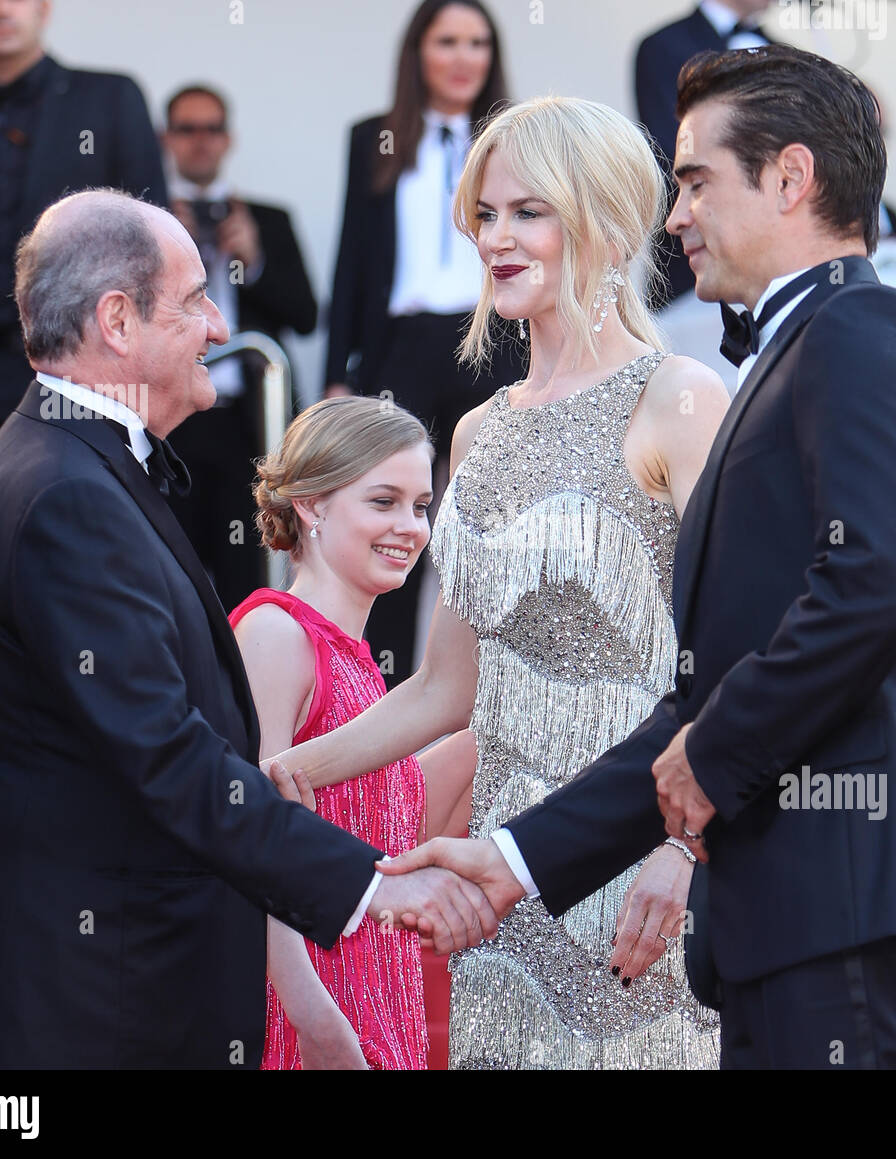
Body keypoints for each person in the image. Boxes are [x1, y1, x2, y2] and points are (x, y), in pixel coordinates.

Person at [378, 46, 896, 1070]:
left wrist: (700, 772)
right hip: (774, 916)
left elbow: (872, 589)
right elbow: (708, 694)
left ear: (790, 179)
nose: (674, 216)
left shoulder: (867, 330)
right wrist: (512, 859)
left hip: (846, 893)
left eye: (694, 180)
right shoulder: (785, 360)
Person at [0, 189, 496, 1069]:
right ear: (118, 320)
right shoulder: (66, 492)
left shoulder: (73, 469)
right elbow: (168, 758)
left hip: (101, 991)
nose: (220, 328)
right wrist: (369, 886)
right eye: (194, 301)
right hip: (84, 1005)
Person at [270, 96, 731, 1069]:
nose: (497, 238)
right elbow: (445, 690)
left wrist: (683, 848)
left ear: (602, 217)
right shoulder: (479, 432)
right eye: (485, 213)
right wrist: (283, 776)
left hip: (641, 876)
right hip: (503, 891)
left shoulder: (678, 399)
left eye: (529, 211)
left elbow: (737, 658)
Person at [231, 396, 445, 1070]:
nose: (409, 527)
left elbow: (395, 831)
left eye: (420, 504)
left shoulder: (369, 671)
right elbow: (250, 837)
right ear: (312, 505)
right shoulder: (274, 632)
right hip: (316, 1012)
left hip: (384, 995)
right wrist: (309, 1012)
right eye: (383, 501)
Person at [324, 0, 524, 687]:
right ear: (419, 53)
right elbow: (351, 259)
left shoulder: (516, 143)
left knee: (491, 526)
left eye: (478, 42)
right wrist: (336, 376)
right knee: (394, 523)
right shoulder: (374, 137)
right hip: (401, 350)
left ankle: (494, 689)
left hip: (493, 345)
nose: (464, 56)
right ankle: (374, 698)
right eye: (448, 41)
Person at [0, 0, 168, 472]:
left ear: (44, 8)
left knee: (87, 516)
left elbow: (151, 226)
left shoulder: (110, 98)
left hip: (90, 364)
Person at [161, 83, 320, 610]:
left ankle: (252, 688)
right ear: (167, 139)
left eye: (212, 129)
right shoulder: (149, 223)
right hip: (173, 420)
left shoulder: (267, 221)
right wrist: (166, 248)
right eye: (187, 129)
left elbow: (305, 314)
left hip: (249, 426)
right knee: (169, 571)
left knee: (248, 573)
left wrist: (253, 260)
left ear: (228, 139)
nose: (200, 142)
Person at [634, 1, 775, 307]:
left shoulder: (780, 51)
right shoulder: (663, 46)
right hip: (690, 269)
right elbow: (672, 154)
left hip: (770, 267)